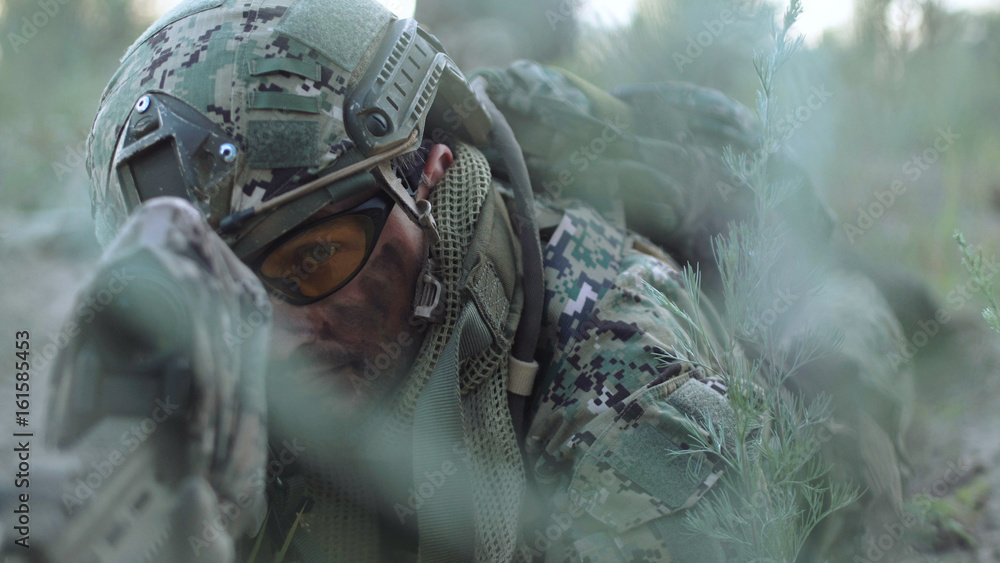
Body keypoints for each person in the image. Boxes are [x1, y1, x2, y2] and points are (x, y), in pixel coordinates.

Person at [80, 0, 912, 561]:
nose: (278, 338)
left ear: (432, 179)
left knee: (848, 388)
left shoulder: (633, 417)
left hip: (758, 271)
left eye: (312, 259)